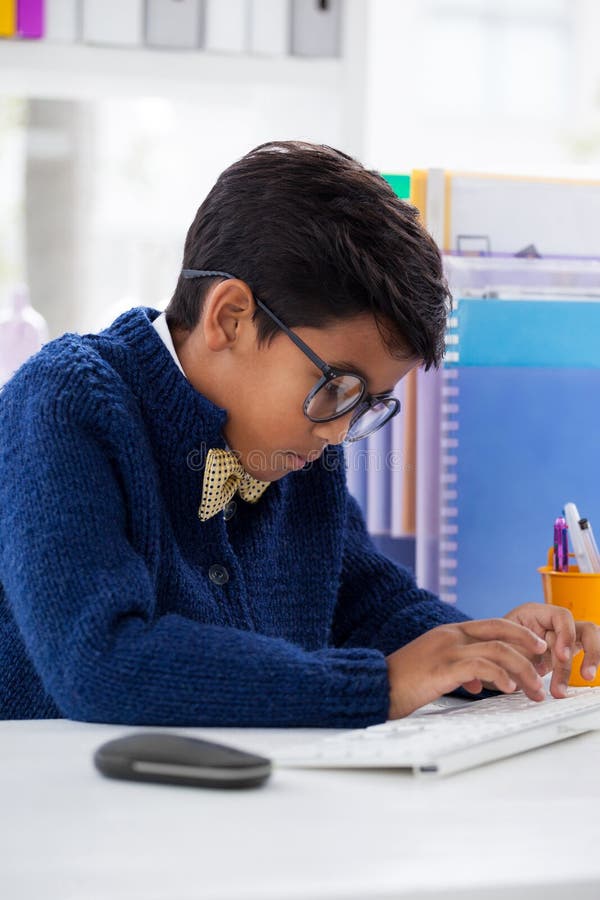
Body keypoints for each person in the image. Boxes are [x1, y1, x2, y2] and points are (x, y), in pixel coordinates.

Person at [0, 141, 598, 726]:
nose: (339, 432)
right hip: (68, 804)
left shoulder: (298, 448)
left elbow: (370, 605)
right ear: (229, 316)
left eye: (366, 404)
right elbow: (102, 661)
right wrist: (379, 685)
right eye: (336, 385)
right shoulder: (66, 401)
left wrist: (482, 652)